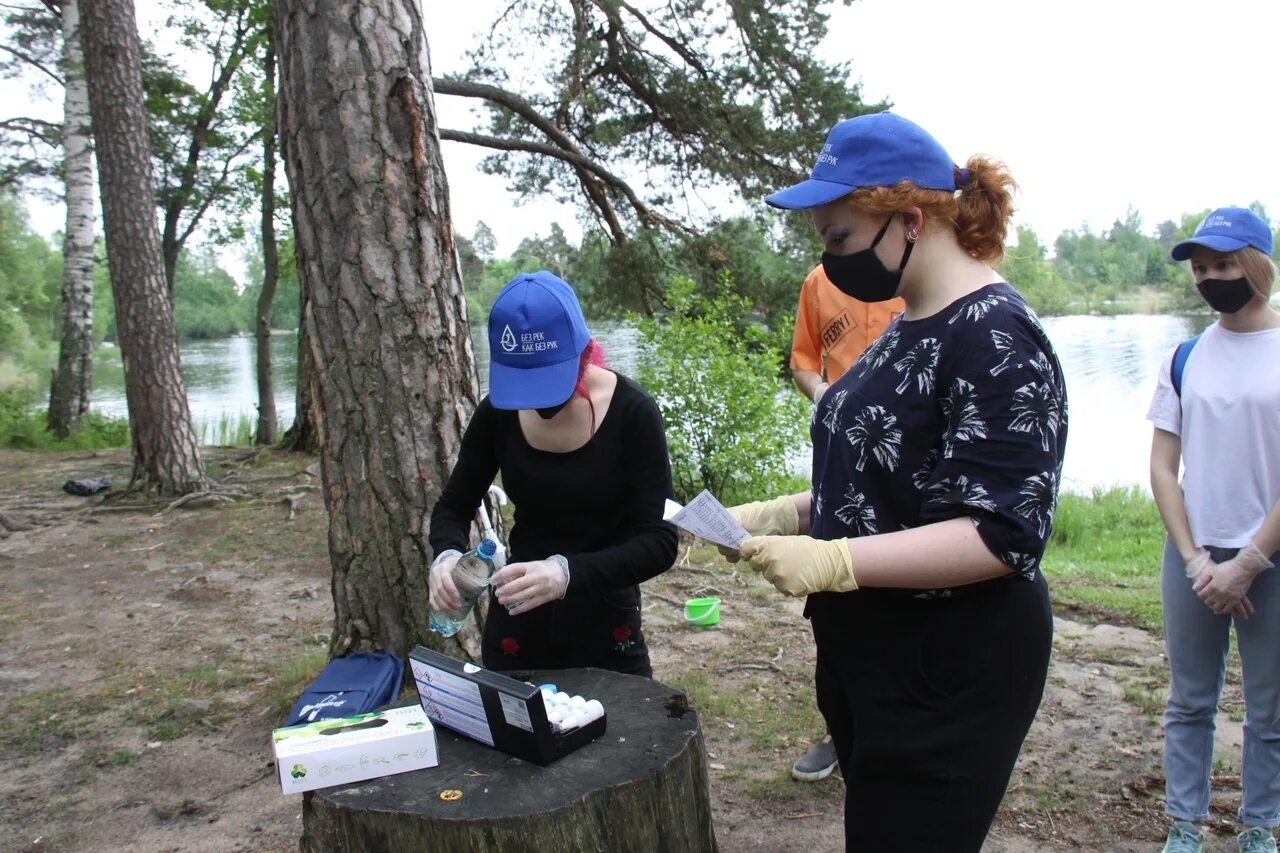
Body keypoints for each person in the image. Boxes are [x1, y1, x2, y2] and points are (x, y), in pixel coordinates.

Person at [725, 112, 1067, 851]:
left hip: (949, 665)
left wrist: (837, 559)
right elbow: (896, 481)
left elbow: (1001, 530)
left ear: (909, 220)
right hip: (873, 655)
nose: (828, 257)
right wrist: (786, 514)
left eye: (838, 236)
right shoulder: (911, 321)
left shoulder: (997, 333)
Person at [428, 271, 678, 677]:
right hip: (517, 616)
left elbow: (660, 541)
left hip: (607, 620)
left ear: (581, 352)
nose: (537, 400)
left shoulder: (632, 413)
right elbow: (453, 507)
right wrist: (447, 556)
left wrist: (566, 573)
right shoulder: (499, 413)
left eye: (547, 380)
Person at [1146, 207, 1280, 853]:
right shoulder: (1185, 355)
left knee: (1270, 707)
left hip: (1271, 556)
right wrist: (1196, 557)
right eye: (1202, 269)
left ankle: (1259, 824)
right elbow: (1164, 468)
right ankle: (1184, 823)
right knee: (1190, 699)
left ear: (1257, 265)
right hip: (1193, 555)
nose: (1211, 278)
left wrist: (1250, 559)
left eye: (1224, 265)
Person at [788, 267, 902, 783]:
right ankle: (839, 729)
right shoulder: (818, 283)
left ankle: (892, 734)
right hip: (838, 454)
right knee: (834, 605)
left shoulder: (918, 273)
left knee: (897, 591)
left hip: (905, 457)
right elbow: (804, 362)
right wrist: (824, 395)